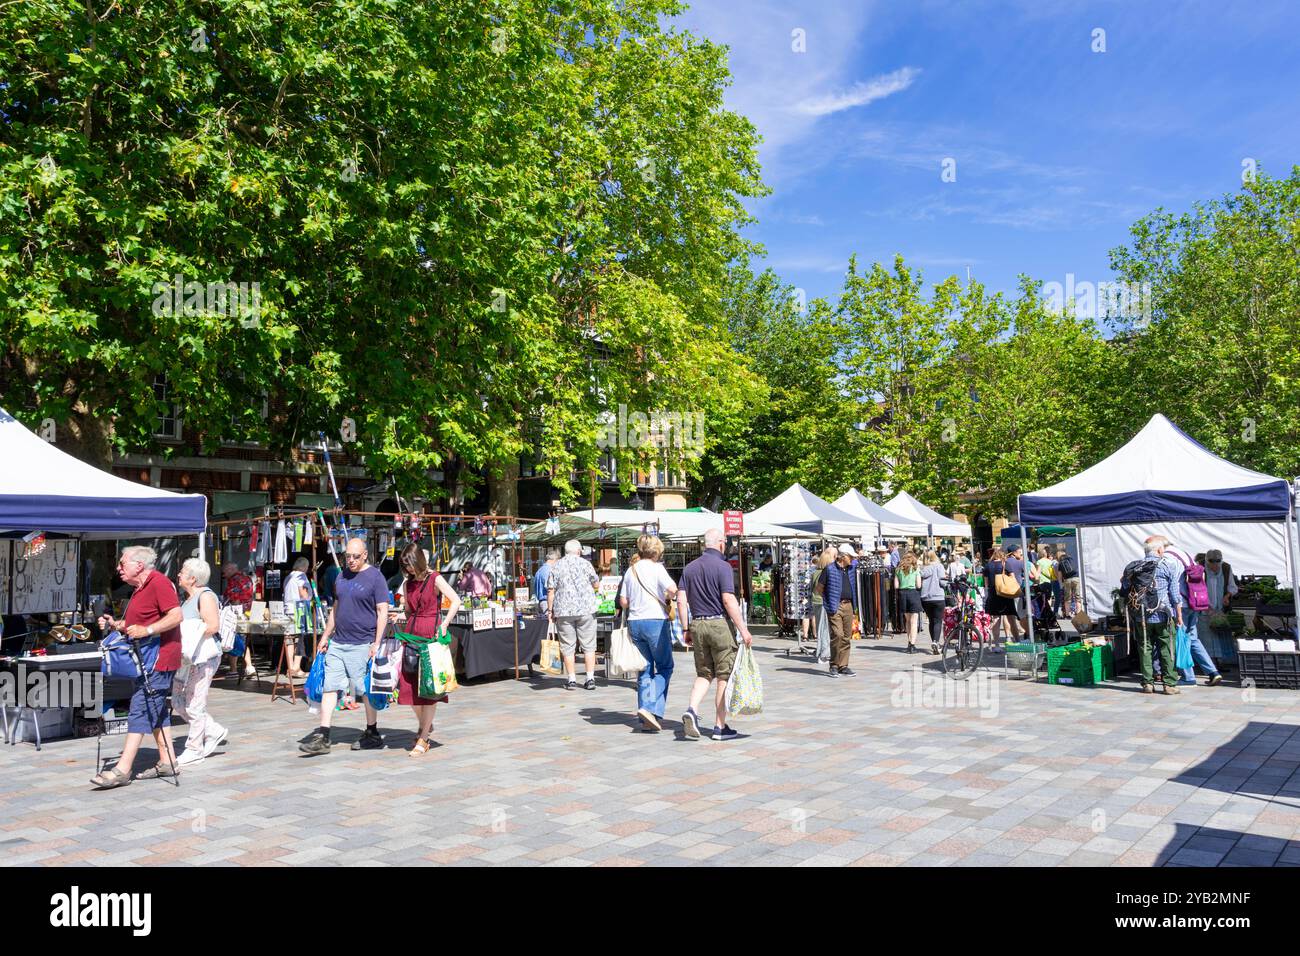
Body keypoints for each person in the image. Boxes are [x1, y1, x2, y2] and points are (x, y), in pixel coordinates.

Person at [91, 546, 184, 788]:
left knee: (140, 708)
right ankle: (168, 761)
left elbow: (176, 615)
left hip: (159, 658)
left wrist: (148, 630)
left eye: (123, 564)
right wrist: (117, 624)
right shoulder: (140, 588)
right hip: (145, 658)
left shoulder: (159, 583)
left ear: (139, 566)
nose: (118, 568)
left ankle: (122, 769)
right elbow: (138, 623)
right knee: (155, 709)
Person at [299, 538, 391, 755]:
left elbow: (382, 611)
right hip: (338, 643)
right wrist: (325, 636)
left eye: (355, 557)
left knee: (363, 689)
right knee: (330, 686)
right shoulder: (341, 576)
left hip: (362, 642)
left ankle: (372, 731)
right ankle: (323, 734)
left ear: (365, 555)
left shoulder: (375, 577)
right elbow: (335, 609)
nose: (350, 560)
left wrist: (376, 643)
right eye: (347, 556)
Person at [678, 529, 754, 741]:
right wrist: (743, 630)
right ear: (720, 543)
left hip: (698, 625)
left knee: (704, 674)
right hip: (719, 625)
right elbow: (729, 600)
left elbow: (681, 600)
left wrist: (686, 628)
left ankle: (691, 709)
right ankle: (719, 727)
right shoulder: (723, 567)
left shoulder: (690, 568)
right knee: (723, 676)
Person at [396, 543, 463, 755]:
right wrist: (398, 616)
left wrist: (444, 624)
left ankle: (423, 738)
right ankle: (425, 724)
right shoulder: (407, 585)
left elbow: (455, 600)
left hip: (431, 637)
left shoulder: (435, 578)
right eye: (405, 567)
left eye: (410, 566)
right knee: (409, 689)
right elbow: (408, 611)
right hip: (411, 636)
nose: (408, 570)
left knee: (429, 689)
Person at [619, 534, 678, 731]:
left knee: (644, 669)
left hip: (635, 622)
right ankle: (650, 707)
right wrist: (667, 597)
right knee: (665, 666)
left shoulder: (631, 570)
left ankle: (648, 718)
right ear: (656, 550)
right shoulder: (657, 568)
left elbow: (624, 602)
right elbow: (673, 589)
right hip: (655, 621)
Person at [173, 558, 228, 768]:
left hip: (204, 657)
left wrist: (187, 636)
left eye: (182, 571)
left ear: (192, 578)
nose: (179, 574)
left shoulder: (205, 596)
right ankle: (213, 730)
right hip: (187, 657)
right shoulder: (188, 599)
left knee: (194, 704)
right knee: (177, 700)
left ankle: (194, 749)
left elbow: (213, 625)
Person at [1130, 535, 1182, 694]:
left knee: (1145, 647)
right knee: (1167, 648)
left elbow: (1125, 587)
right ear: (1160, 550)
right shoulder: (1167, 565)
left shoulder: (1135, 566)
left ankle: (1148, 683)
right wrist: (1179, 616)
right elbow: (1174, 594)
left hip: (1142, 615)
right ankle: (1169, 685)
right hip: (1163, 614)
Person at [547, 539, 600, 690]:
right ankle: (590, 678)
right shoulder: (586, 564)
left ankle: (571, 679)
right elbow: (596, 583)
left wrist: (550, 611)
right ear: (578, 551)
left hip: (563, 610)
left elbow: (551, 590)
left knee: (567, 646)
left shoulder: (557, 565)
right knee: (589, 645)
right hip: (586, 609)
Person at [1171, 548, 1223, 687]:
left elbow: (1174, 588)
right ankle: (1213, 672)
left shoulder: (1170, 559)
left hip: (1182, 605)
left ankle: (1188, 677)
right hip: (1195, 604)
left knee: (1182, 639)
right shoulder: (1188, 558)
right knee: (1193, 639)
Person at [822, 543, 859, 676]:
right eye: (851, 557)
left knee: (846, 637)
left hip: (849, 605)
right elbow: (819, 589)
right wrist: (828, 603)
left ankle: (843, 666)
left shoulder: (851, 569)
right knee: (837, 635)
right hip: (835, 605)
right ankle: (834, 664)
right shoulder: (829, 569)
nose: (853, 559)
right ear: (843, 557)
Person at [1198, 549, 1239, 662]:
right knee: (1206, 637)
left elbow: (1232, 586)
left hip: (1220, 609)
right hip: (1204, 609)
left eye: (1218, 562)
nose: (1215, 565)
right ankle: (1207, 663)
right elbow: (1196, 589)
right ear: (1207, 561)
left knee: (1220, 635)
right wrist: (1205, 605)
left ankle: (1221, 661)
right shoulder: (1200, 568)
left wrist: (1227, 596)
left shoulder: (1226, 568)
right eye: (1212, 562)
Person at [221, 561, 257, 678]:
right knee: (243, 639)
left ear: (231, 569)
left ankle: (233, 669)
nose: (223, 575)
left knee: (233, 639)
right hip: (248, 612)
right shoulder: (247, 578)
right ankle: (249, 666)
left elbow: (234, 599)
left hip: (237, 613)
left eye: (225, 572)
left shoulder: (234, 581)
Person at [281, 557, 312, 678]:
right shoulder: (301, 576)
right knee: (299, 638)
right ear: (304, 567)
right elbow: (303, 593)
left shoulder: (289, 576)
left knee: (289, 638)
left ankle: (290, 668)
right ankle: (296, 667)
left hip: (287, 609)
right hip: (298, 610)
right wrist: (309, 597)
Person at [983, 547, 1021, 640]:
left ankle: (996, 644)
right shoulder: (1005, 564)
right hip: (1005, 594)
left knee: (996, 618)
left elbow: (986, 583)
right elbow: (1013, 578)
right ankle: (1017, 640)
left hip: (993, 594)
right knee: (1011, 618)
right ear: (1002, 555)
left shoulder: (988, 566)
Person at [809, 545, 836, 663]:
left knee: (821, 628)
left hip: (816, 602)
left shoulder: (815, 572)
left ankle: (821, 651)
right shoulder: (825, 573)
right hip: (823, 602)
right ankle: (824, 654)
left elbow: (811, 588)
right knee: (825, 629)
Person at [895, 550, 923, 653]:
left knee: (907, 620)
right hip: (913, 593)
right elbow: (919, 585)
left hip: (902, 594)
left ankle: (909, 642)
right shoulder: (915, 569)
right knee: (914, 621)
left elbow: (896, 586)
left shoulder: (898, 570)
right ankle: (912, 644)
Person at [920, 550, 946, 655]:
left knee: (931, 620)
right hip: (938, 597)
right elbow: (942, 582)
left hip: (925, 598)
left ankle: (934, 641)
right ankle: (936, 642)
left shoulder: (922, 568)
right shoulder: (939, 566)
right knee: (938, 621)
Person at [1058, 545, 1081, 617]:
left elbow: (1059, 576)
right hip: (1076, 578)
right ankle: (1078, 613)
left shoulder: (1060, 563)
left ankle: (1067, 615)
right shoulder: (1072, 559)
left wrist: (1061, 584)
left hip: (1067, 580)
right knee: (1078, 597)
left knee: (1067, 598)